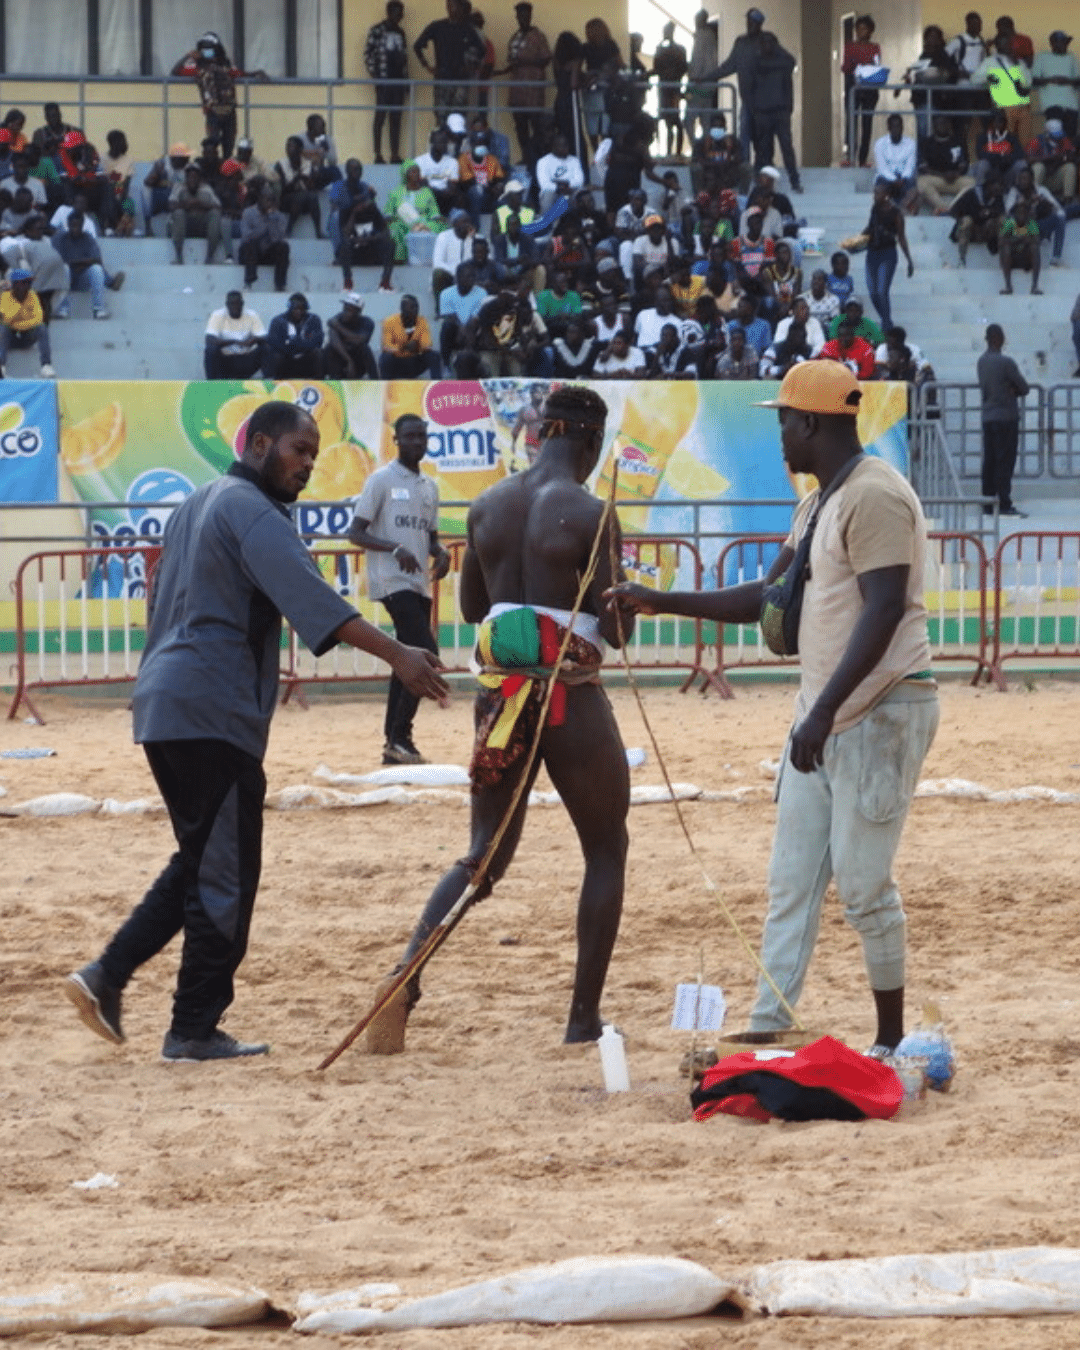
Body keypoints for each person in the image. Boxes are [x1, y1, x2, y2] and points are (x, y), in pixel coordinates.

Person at [63, 401, 448, 1063]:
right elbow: (315, 603)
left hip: (166, 701)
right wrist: (401, 657)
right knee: (226, 875)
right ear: (260, 441)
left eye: (314, 455)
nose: (307, 465)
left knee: (202, 859)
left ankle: (108, 974)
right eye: (299, 450)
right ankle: (191, 1028)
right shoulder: (253, 512)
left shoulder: (196, 503)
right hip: (211, 709)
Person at [610, 360, 938, 1052]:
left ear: (812, 423)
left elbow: (882, 612)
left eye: (784, 419)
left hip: (881, 711)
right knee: (791, 881)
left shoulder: (874, 496)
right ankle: (769, 1019)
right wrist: (659, 599)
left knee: (862, 887)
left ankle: (890, 1038)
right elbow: (767, 598)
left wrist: (821, 714)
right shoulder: (815, 504)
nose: (779, 433)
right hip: (823, 715)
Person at [366, 386, 631, 1053]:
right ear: (592, 444)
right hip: (569, 697)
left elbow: (470, 608)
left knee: (482, 858)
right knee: (606, 848)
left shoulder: (487, 507)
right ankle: (581, 1020)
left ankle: (406, 973)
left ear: (540, 434)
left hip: (501, 698)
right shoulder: (593, 512)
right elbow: (616, 629)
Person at [348, 414, 449, 768]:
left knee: (404, 658)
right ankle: (401, 736)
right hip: (392, 581)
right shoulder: (382, 480)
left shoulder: (429, 487)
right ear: (396, 439)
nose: (417, 442)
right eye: (410, 436)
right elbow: (355, 532)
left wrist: (442, 551)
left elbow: (430, 537)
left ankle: (393, 744)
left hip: (419, 583)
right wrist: (395, 548)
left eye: (422, 436)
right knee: (426, 651)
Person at [172, 31, 267, 159]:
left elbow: (240, 74)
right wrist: (189, 56)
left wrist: (256, 73)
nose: (208, 52)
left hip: (230, 112)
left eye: (210, 49)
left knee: (228, 148)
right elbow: (176, 72)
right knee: (212, 146)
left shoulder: (226, 66)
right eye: (204, 49)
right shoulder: (197, 68)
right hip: (213, 112)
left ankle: (226, 173)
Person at [977, 323, 1029, 514]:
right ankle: (1004, 502)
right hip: (1006, 416)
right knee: (1004, 461)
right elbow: (1024, 387)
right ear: (999, 338)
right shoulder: (1006, 362)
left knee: (989, 460)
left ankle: (988, 501)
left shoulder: (981, 361)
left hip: (988, 416)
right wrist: (1013, 389)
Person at [414, 0, 486, 124]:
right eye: (450, 5)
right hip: (442, 80)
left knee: (458, 120)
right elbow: (417, 46)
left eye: (456, 5)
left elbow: (481, 50)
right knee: (441, 119)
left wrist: (472, 67)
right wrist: (427, 66)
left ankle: (457, 143)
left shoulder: (468, 29)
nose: (453, 9)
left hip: (461, 81)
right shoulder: (437, 26)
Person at [707, 7, 766, 156]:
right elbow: (728, 66)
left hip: (764, 102)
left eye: (752, 22)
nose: (749, 25)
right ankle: (745, 170)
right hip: (747, 100)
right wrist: (707, 77)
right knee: (744, 134)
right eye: (748, 22)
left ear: (759, 24)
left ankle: (762, 167)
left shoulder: (767, 43)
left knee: (761, 138)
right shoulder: (741, 43)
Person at [500, 3, 550, 169]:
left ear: (530, 15)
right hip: (517, 90)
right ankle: (527, 157)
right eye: (519, 15)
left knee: (536, 125)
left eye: (525, 15)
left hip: (532, 89)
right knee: (520, 125)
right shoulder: (515, 36)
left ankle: (537, 157)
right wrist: (498, 72)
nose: (522, 18)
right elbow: (513, 62)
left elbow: (545, 59)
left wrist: (525, 62)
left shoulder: (538, 36)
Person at [862, 181, 914, 334]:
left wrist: (909, 260)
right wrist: (856, 240)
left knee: (882, 290)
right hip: (872, 253)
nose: (874, 196)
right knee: (872, 292)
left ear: (887, 195)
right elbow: (870, 227)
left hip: (888, 254)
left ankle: (886, 326)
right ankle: (887, 320)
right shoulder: (875, 208)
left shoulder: (896, 213)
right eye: (874, 193)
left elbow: (902, 238)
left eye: (877, 193)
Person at [752, 31, 801, 190]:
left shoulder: (782, 61)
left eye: (770, 43)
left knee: (786, 147)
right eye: (764, 43)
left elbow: (792, 61)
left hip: (780, 110)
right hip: (764, 111)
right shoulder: (760, 62)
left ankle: (794, 180)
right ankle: (765, 182)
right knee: (765, 150)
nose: (767, 46)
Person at [366, 1, 410, 165]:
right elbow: (368, 53)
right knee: (380, 117)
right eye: (397, 12)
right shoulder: (377, 30)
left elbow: (405, 58)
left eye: (401, 13)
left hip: (398, 81)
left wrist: (406, 81)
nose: (400, 16)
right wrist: (375, 75)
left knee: (396, 118)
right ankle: (377, 154)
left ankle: (394, 155)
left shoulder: (401, 32)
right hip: (384, 80)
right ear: (389, 12)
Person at [972, 32, 1033, 148]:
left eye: (1009, 43)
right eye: (1003, 43)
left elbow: (1029, 82)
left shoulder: (1019, 62)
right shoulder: (990, 62)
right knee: (1007, 140)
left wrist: (1017, 65)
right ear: (997, 45)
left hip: (1024, 107)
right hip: (1004, 109)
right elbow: (974, 79)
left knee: (1024, 142)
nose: (1007, 46)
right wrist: (987, 78)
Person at [51, 210, 110, 319]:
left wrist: (73, 263)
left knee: (96, 269)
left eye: (78, 226)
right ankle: (63, 310)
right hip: (63, 280)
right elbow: (55, 262)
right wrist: (82, 262)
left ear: (83, 225)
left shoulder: (88, 238)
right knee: (64, 268)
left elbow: (97, 260)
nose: (75, 229)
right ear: (68, 224)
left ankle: (99, 309)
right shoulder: (59, 238)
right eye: (72, 226)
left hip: (82, 279)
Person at [385, 159, 445, 262]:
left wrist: (440, 218)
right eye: (413, 171)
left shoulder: (427, 192)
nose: (416, 174)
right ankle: (399, 259)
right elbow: (388, 212)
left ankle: (430, 257)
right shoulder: (396, 192)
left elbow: (434, 212)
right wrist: (392, 218)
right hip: (404, 222)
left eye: (418, 171)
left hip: (425, 222)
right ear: (405, 174)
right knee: (395, 227)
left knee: (441, 226)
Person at [842, 15, 882, 168]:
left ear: (870, 31)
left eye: (864, 29)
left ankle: (863, 159)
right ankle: (850, 156)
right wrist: (854, 65)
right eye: (858, 29)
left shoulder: (875, 47)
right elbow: (845, 67)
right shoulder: (849, 46)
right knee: (851, 121)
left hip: (870, 87)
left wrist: (864, 66)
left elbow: (877, 65)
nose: (860, 32)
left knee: (867, 122)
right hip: (853, 87)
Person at [0, 267, 54, 377]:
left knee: (42, 328)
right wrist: (18, 303)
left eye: (29, 282)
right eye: (24, 282)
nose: (28, 285)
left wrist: (17, 324)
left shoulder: (32, 295)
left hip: (27, 337)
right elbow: (6, 320)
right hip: (10, 339)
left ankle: (46, 366)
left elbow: (38, 319)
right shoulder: (5, 297)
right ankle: (1, 366)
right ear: (15, 285)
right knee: (3, 328)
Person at [917, 114, 975, 214]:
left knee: (972, 183)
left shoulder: (958, 141)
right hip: (937, 179)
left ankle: (952, 208)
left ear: (949, 125)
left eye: (944, 123)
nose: (942, 126)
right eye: (939, 123)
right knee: (921, 182)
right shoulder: (926, 143)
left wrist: (956, 173)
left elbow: (964, 164)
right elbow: (923, 168)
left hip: (955, 179)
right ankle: (944, 208)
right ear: (934, 126)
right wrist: (942, 175)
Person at [204, 289, 266, 379]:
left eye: (238, 304)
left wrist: (253, 340)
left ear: (242, 304)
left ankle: (269, 381)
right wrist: (234, 341)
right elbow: (209, 339)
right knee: (210, 349)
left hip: (246, 359)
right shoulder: (217, 315)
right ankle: (212, 384)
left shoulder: (252, 315)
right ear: (227, 305)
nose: (235, 307)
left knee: (267, 346)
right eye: (232, 304)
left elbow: (264, 337)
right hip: (225, 361)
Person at [169, 164, 222, 265]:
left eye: (195, 177)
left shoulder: (207, 189)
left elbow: (218, 207)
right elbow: (170, 206)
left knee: (215, 214)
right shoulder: (179, 187)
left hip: (201, 226)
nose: (192, 179)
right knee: (178, 213)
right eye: (189, 177)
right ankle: (178, 256)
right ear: (186, 178)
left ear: (200, 178)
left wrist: (200, 204)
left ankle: (210, 257)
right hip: (183, 226)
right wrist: (185, 205)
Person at [239, 186, 290, 291]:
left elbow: (279, 238)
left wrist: (271, 220)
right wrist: (263, 225)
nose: (269, 202)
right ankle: (249, 281)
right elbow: (246, 236)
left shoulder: (279, 216)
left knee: (284, 247)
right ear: (260, 199)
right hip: (250, 252)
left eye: (271, 200)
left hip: (267, 251)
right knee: (250, 244)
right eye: (266, 199)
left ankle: (280, 284)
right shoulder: (248, 213)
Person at [1032, 31, 1080, 142]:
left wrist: (1067, 81)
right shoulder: (1042, 57)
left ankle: (1068, 159)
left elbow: (1078, 80)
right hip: (1051, 103)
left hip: (1071, 104)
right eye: (1062, 42)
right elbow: (1034, 80)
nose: (1065, 45)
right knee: (1055, 134)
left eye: (1065, 43)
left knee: (1070, 136)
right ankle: (1055, 158)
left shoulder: (1071, 57)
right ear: (1053, 44)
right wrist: (1051, 80)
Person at [438, 260, 486, 366]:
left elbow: (475, 317)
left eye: (473, 276)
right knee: (447, 326)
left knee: (478, 325)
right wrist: (461, 328)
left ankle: (474, 363)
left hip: (473, 329)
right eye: (468, 276)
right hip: (455, 330)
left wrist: (466, 330)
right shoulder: (446, 294)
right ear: (458, 278)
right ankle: (446, 364)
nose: (472, 280)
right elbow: (450, 317)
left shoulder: (481, 293)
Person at [265, 292, 324, 379]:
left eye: (302, 309)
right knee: (274, 353)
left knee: (318, 352)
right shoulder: (278, 320)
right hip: (286, 360)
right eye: (296, 309)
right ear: (289, 308)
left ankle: (320, 384)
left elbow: (318, 342)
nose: (299, 312)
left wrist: (290, 343)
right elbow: (273, 342)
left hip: (305, 360)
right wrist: (302, 343)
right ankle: (274, 384)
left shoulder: (314, 319)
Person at [380, 292, 439, 378]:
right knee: (385, 358)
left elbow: (427, 344)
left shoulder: (422, 321)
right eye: (412, 307)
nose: (415, 310)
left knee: (434, 356)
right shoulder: (389, 321)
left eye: (416, 307)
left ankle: (438, 387)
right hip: (397, 363)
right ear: (402, 308)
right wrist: (404, 347)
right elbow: (386, 346)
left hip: (415, 361)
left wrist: (417, 346)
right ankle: (386, 387)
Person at [321, 291, 378, 379]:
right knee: (329, 348)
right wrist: (349, 361)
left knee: (365, 348)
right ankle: (329, 381)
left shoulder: (367, 322)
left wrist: (338, 328)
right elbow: (334, 341)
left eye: (349, 309)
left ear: (358, 311)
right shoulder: (338, 318)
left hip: (358, 363)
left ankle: (376, 382)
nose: (345, 311)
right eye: (345, 307)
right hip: (341, 359)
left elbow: (360, 340)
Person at [950, 174, 1005, 263]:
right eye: (998, 186)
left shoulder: (997, 197)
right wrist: (974, 214)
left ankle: (1002, 255)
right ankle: (962, 258)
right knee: (967, 221)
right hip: (970, 232)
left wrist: (990, 212)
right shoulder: (972, 193)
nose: (1000, 190)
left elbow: (1000, 211)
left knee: (1001, 220)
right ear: (989, 185)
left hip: (984, 231)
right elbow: (954, 211)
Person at [654, 21, 689, 160]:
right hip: (663, 89)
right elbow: (657, 67)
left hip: (674, 89)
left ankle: (678, 153)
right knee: (666, 120)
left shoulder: (680, 49)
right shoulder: (660, 49)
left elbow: (683, 67)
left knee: (675, 121)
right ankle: (667, 152)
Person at [275, 136, 322, 237]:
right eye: (287, 146)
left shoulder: (308, 165)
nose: (288, 149)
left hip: (303, 202)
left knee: (312, 196)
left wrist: (309, 182)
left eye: (291, 146)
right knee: (301, 196)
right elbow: (282, 190)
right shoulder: (280, 165)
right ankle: (288, 229)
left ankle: (318, 231)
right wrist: (297, 179)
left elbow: (312, 187)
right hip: (285, 201)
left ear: (300, 150)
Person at [872, 113, 917, 210]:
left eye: (899, 126)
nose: (896, 129)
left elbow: (910, 166)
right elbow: (882, 168)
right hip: (886, 177)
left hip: (904, 178)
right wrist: (894, 180)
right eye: (893, 126)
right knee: (879, 190)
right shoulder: (880, 144)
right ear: (888, 128)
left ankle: (899, 210)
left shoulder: (911, 143)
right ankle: (880, 215)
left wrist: (902, 179)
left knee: (914, 190)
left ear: (903, 127)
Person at [458, 134, 505, 227]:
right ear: (472, 144)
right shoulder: (464, 158)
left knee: (505, 200)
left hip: (489, 196)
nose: (480, 145)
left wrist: (498, 186)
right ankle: (475, 229)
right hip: (470, 196)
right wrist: (489, 189)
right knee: (477, 190)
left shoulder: (492, 159)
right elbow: (468, 182)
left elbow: (499, 178)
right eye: (477, 143)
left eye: (483, 143)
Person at [535, 132, 585, 213]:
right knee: (548, 195)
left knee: (583, 195)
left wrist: (565, 186)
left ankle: (581, 222)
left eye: (567, 145)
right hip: (553, 192)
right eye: (562, 145)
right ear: (554, 147)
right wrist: (559, 189)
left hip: (571, 190)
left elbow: (580, 181)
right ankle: (548, 224)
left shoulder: (574, 160)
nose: (566, 148)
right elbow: (545, 184)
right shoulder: (543, 161)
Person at [416, 127, 461, 214]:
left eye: (446, 142)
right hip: (427, 198)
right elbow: (423, 186)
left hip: (446, 200)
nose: (444, 145)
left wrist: (441, 194)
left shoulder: (453, 162)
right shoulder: (420, 161)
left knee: (458, 197)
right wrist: (439, 194)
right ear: (432, 143)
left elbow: (452, 187)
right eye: (441, 142)